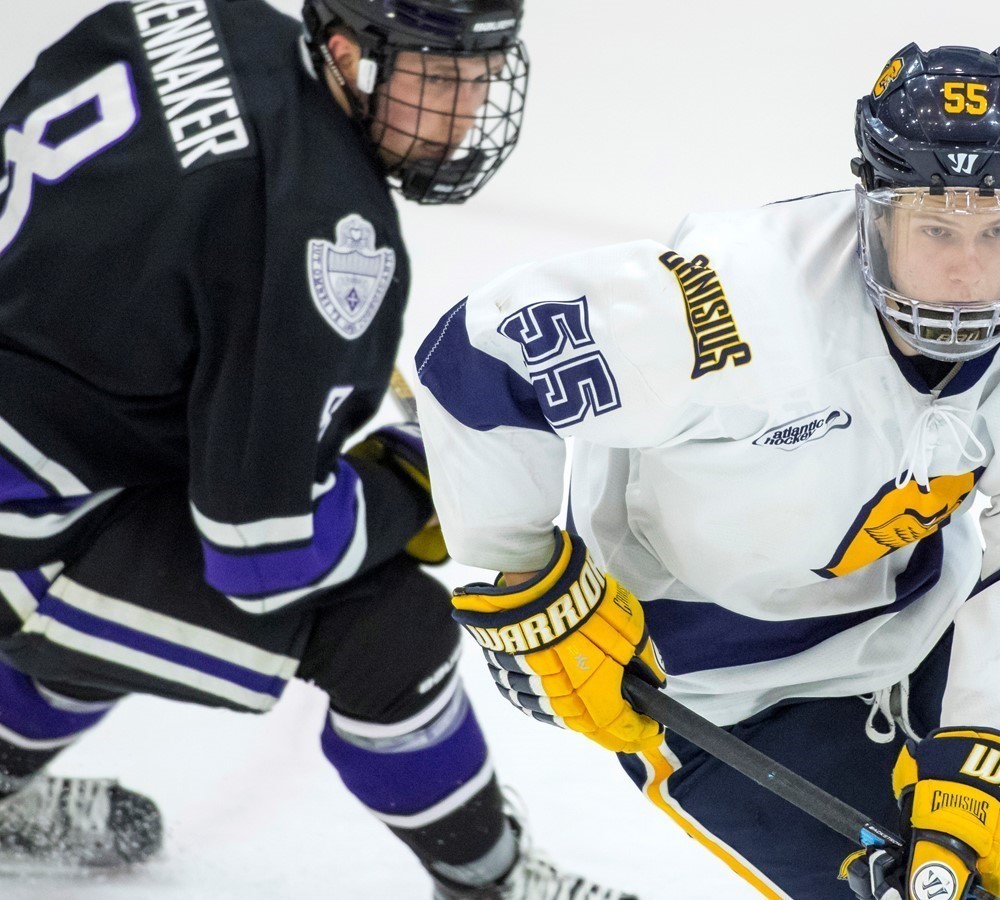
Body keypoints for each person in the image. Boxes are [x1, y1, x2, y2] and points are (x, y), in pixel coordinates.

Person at [415, 42, 1000, 899]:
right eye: (936, 227)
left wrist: (983, 740)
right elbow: (483, 351)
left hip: (920, 628)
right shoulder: (740, 303)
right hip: (715, 688)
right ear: (873, 210)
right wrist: (531, 579)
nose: (966, 272)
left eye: (997, 229)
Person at [0, 1, 636, 897]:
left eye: (482, 74)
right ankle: (492, 880)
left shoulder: (201, 20)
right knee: (387, 634)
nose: (466, 111)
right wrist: (406, 494)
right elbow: (264, 552)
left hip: (44, 432)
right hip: (26, 530)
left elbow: (182, 265)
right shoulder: (315, 220)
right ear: (345, 52)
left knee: (145, 554)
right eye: (441, 74)